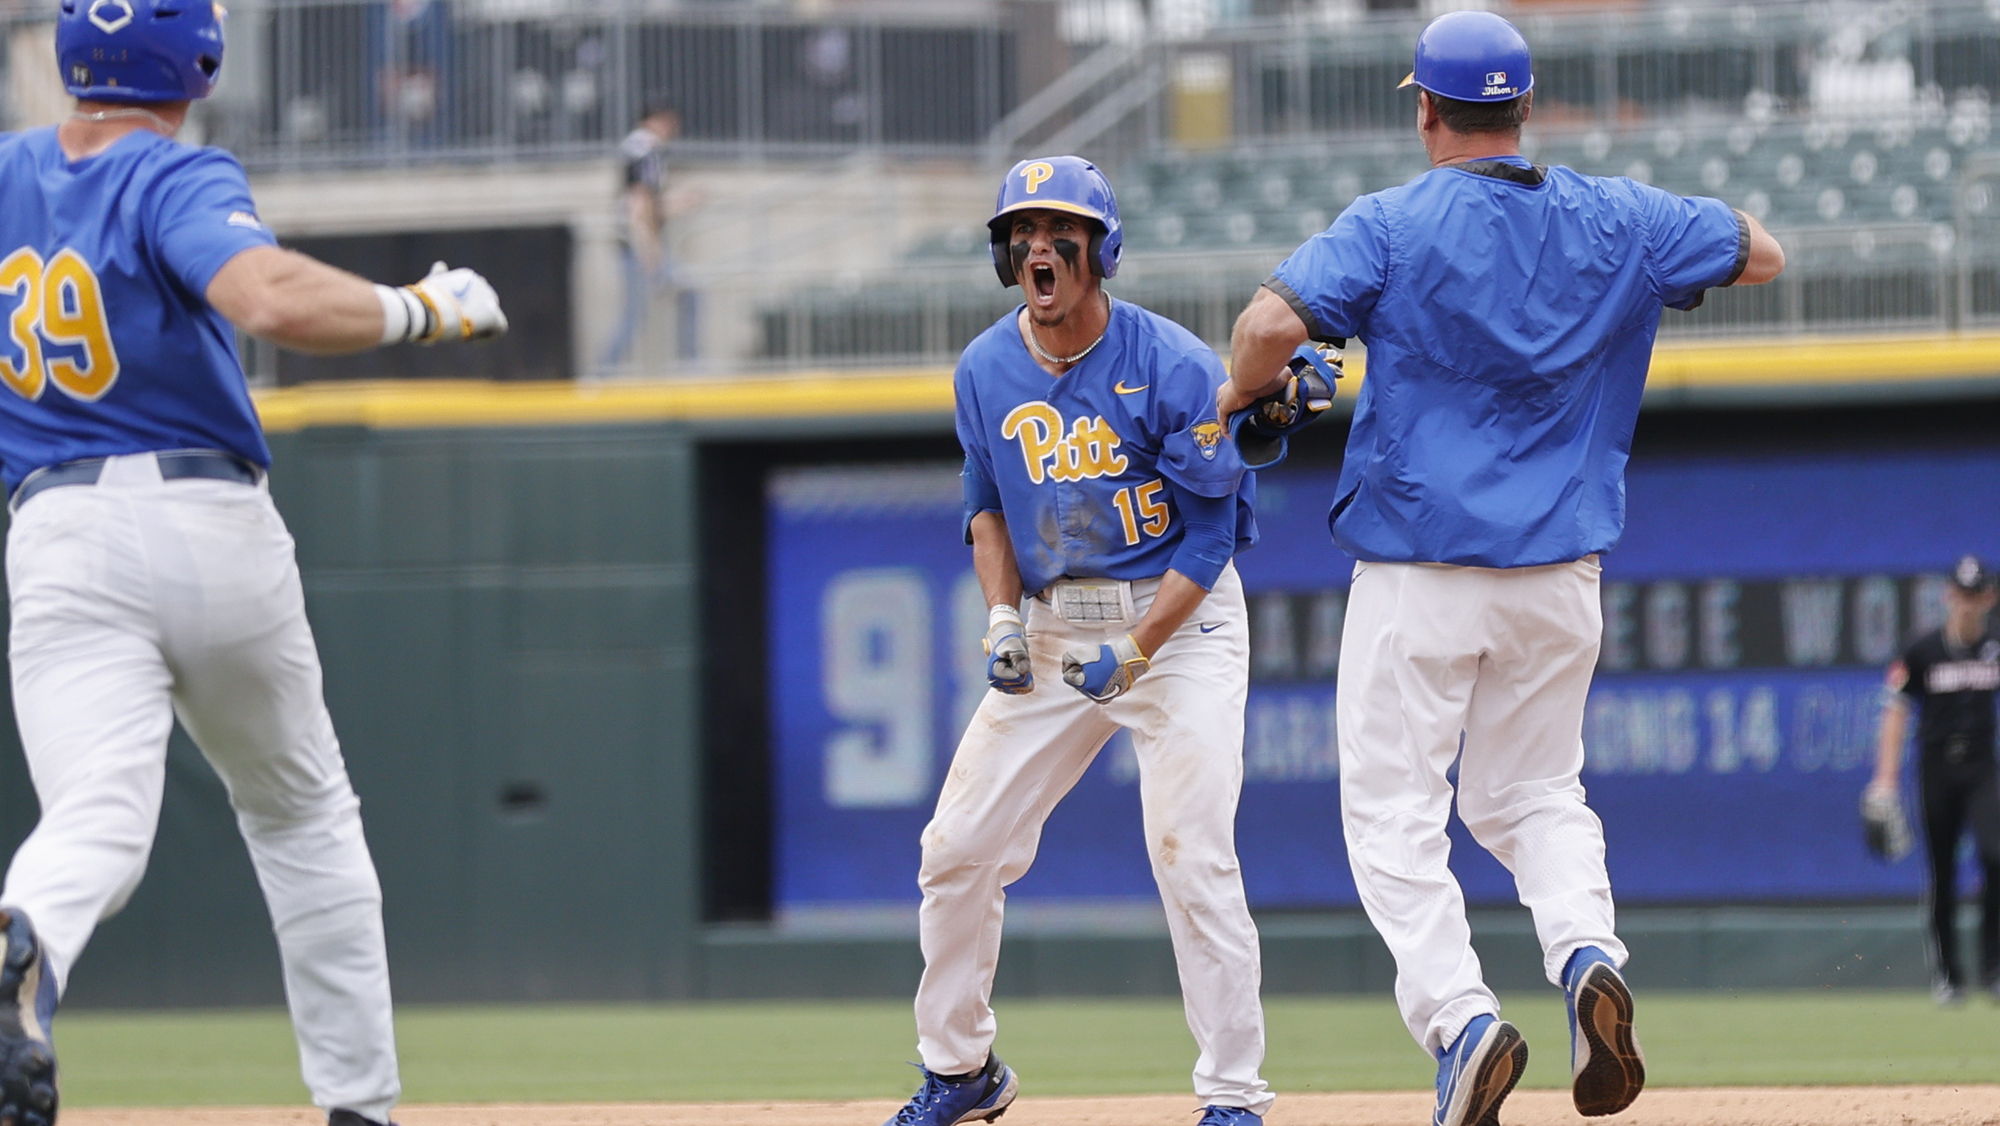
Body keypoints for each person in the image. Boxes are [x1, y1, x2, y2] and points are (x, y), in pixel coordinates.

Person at [1222, 11, 1785, 1126]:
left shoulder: (1391, 221)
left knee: (1393, 812)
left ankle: (1461, 1021)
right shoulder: (1619, 215)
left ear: (1425, 111)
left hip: (1420, 567)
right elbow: (1762, 253)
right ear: (1524, 108)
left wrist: (1251, 391)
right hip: (1559, 571)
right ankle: (1585, 955)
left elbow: (1266, 324)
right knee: (1533, 793)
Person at [0, 4, 506, 1125]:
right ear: (195, 60)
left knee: (96, 811)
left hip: (57, 532)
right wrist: (423, 309)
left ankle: (26, 937)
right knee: (301, 812)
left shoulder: (6, 173)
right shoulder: (169, 173)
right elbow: (265, 295)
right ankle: (358, 1105)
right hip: (204, 514)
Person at [885, 156, 1272, 1126]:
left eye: (1062, 230)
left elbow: (1211, 537)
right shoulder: (984, 368)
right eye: (1021, 231)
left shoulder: (1173, 363)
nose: (1039, 246)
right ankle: (960, 1069)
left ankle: (1232, 1097)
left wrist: (1136, 649)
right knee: (957, 847)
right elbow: (986, 506)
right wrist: (1002, 618)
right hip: (1056, 624)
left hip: (1178, 625)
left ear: (1101, 249)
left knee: (1189, 851)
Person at [1867, 555, 2000, 1006]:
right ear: (1948, 595)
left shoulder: (1995, 646)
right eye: (1961, 593)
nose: (1967, 603)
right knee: (1943, 872)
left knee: (1995, 856)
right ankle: (1949, 974)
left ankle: (1993, 968)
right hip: (1937, 767)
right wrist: (1884, 780)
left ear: (1989, 598)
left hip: (1982, 767)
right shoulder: (1922, 649)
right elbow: (1895, 711)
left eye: (1975, 594)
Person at [598, 102, 694, 373]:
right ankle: (602, 373)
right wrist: (652, 255)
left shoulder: (637, 149)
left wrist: (678, 203)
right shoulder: (645, 151)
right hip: (639, 245)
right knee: (634, 316)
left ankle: (603, 373)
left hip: (638, 242)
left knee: (683, 297)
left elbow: (646, 203)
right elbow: (640, 204)